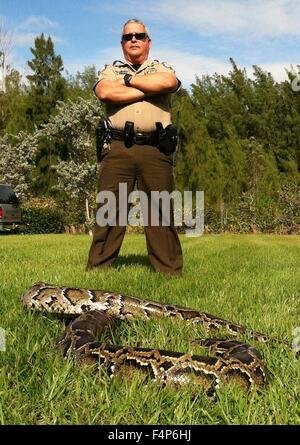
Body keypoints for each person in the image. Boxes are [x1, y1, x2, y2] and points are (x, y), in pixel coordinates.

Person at [86, 18, 183, 276]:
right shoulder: (111, 69)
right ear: (122, 43)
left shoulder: (160, 67)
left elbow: (167, 83)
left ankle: (169, 272)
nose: (133, 40)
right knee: (109, 210)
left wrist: (126, 82)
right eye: (128, 37)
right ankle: (99, 268)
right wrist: (143, 86)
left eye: (139, 35)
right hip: (118, 147)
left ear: (148, 41)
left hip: (156, 148)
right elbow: (106, 92)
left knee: (160, 210)